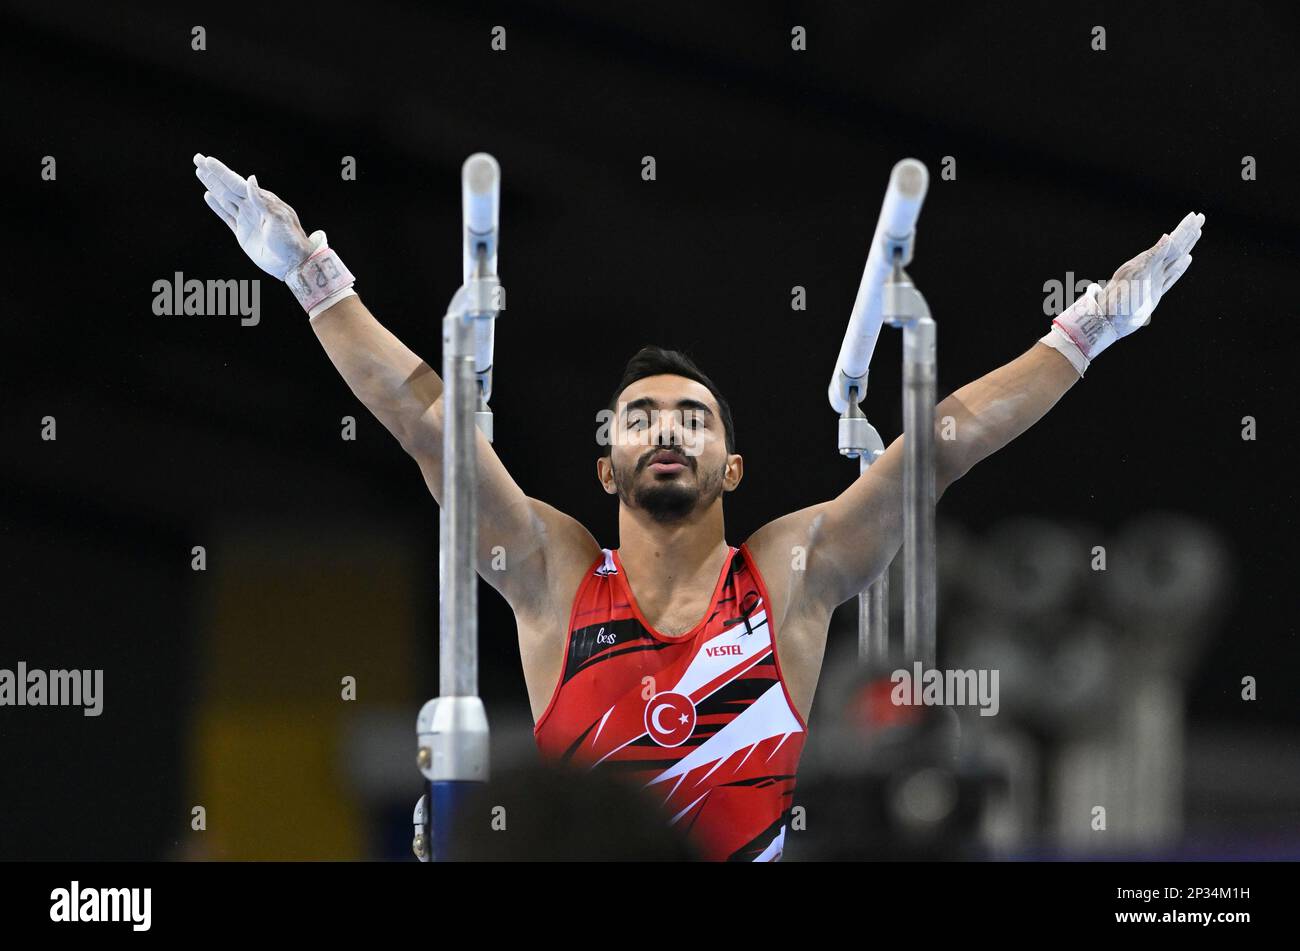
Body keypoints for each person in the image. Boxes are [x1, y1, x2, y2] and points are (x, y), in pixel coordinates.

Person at [192, 153, 1204, 861]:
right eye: (640, 419)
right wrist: (311, 274)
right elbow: (428, 426)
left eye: (692, 418)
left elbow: (941, 443)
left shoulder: (788, 576)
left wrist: (1089, 328)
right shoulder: (554, 576)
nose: (667, 430)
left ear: (731, 468)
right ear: (603, 469)